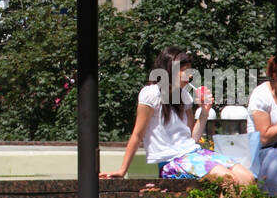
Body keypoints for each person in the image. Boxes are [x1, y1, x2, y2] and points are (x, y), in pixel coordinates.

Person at [100, 47, 255, 185]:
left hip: (193, 154)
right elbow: (137, 134)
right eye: (184, 70)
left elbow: (191, 140)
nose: (188, 76)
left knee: (247, 178)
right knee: (227, 179)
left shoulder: (184, 96)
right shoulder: (151, 94)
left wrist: (204, 112)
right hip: (171, 162)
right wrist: (122, 170)